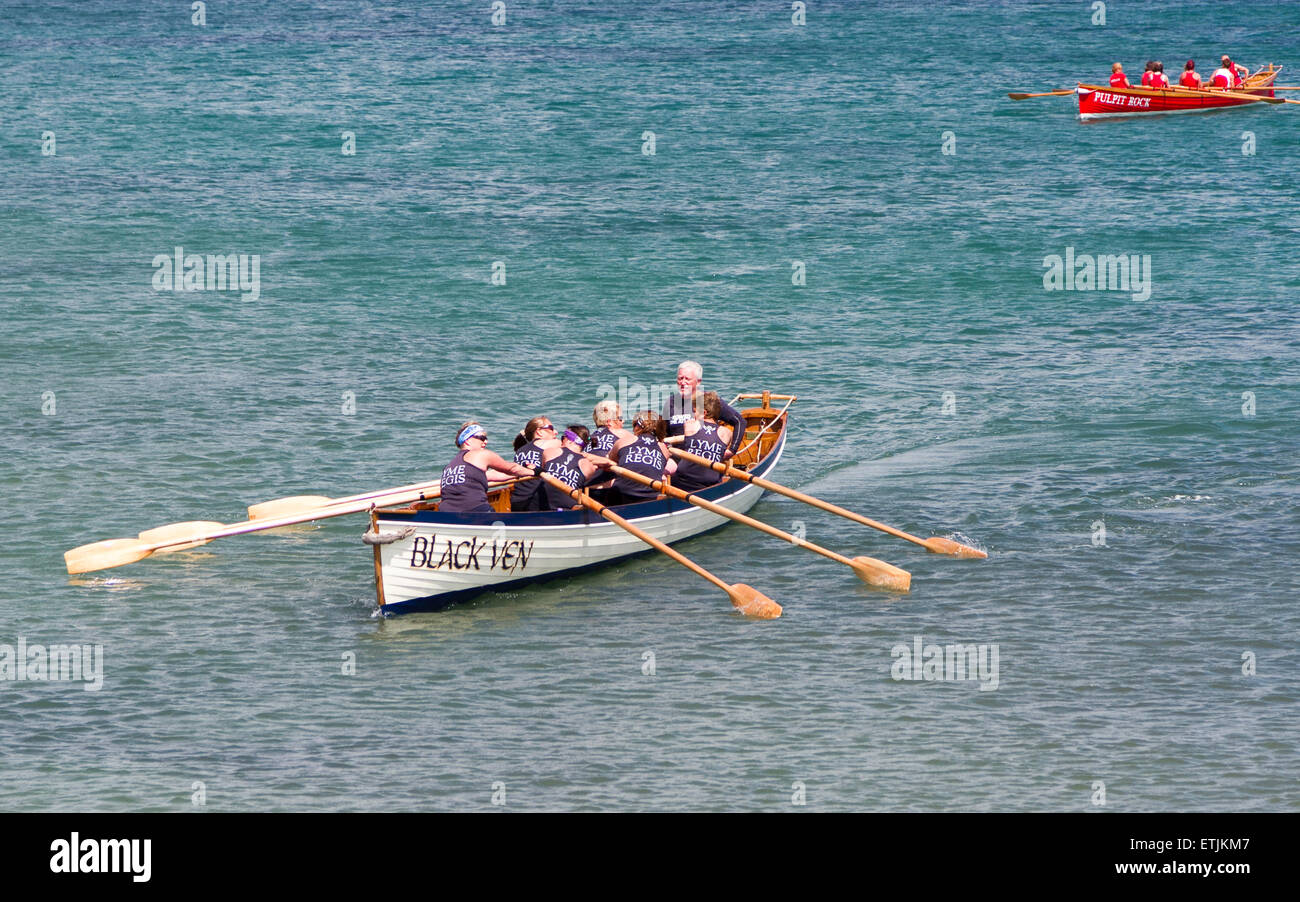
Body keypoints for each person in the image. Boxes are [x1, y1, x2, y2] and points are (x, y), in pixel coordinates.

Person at [439, 422, 537, 513]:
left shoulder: (449, 467)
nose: (485, 441)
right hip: (475, 510)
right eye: (481, 437)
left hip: (446, 513)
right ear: (468, 440)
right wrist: (536, 471)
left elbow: (494, 475)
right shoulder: (481, 454)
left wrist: (523, 471)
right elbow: (511, 469)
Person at [660, 360, 746, 459]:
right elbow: (664, 433)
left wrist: (732, 450)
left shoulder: (710, 401)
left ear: (698, 382)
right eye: (680, 378)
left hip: (704, 460)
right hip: (676, 458)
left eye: (687, 379)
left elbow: (740, 421)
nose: (683, 382)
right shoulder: (671, 402)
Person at [607, 411, 676, 505]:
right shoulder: (664, 449)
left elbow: (609, 462)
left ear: (637, 426)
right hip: (651, 496)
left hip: (622, 493)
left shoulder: (623, 441)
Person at [671, 392, 734, 493]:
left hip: (683, 480)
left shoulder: (689, 425)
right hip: (710, 483)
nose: (693, 414)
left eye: (694, 411)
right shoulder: (727, 433)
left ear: (704, 413)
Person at [541, 425, 612, 509]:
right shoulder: (589, 467)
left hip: (542, 503)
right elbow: (610, 463)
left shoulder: (550, 452)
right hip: (569, 506)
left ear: (569, 440)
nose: (561, 441)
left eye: (563, 438)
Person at [584, 400, 633, 502]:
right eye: (620, 418)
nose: (623, 421)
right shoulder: (621, 433)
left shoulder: (588, 439)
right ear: (609, 421)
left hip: (586, 490)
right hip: (609, 489)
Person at [510, 416, 561, 511]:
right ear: (539, 432)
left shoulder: (520, 451)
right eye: (551, 428)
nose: (556, 432)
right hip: (537, 501)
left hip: (517, 501)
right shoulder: (553, 443)